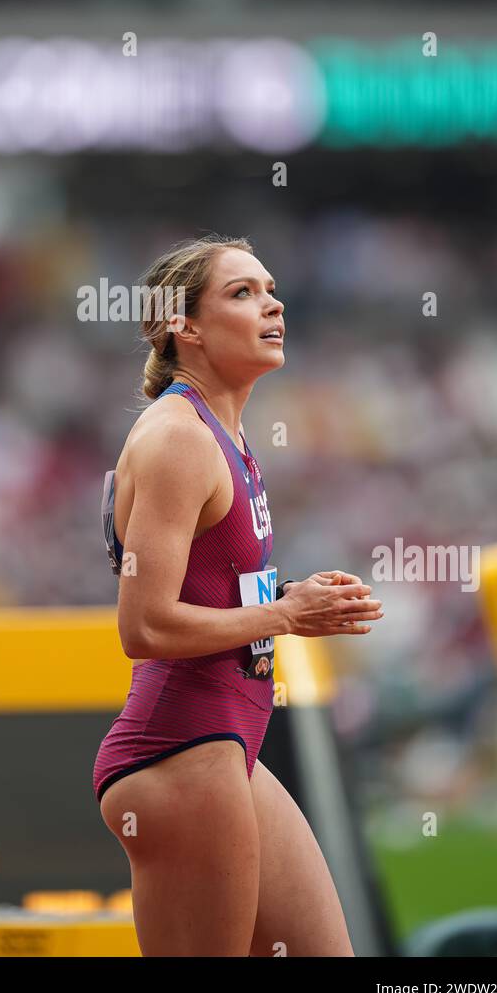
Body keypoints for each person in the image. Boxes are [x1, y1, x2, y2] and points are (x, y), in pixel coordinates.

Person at [92, 234, 384, 956]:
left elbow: (207, 588)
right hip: (178, 750)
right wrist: (285, 614)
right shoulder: (178, 439)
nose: (272, 302)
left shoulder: (224, 432)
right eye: (242, 292)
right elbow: (145, 625)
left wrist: (289, 598)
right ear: (180, 326)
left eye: (271, 288)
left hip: (226, 748)